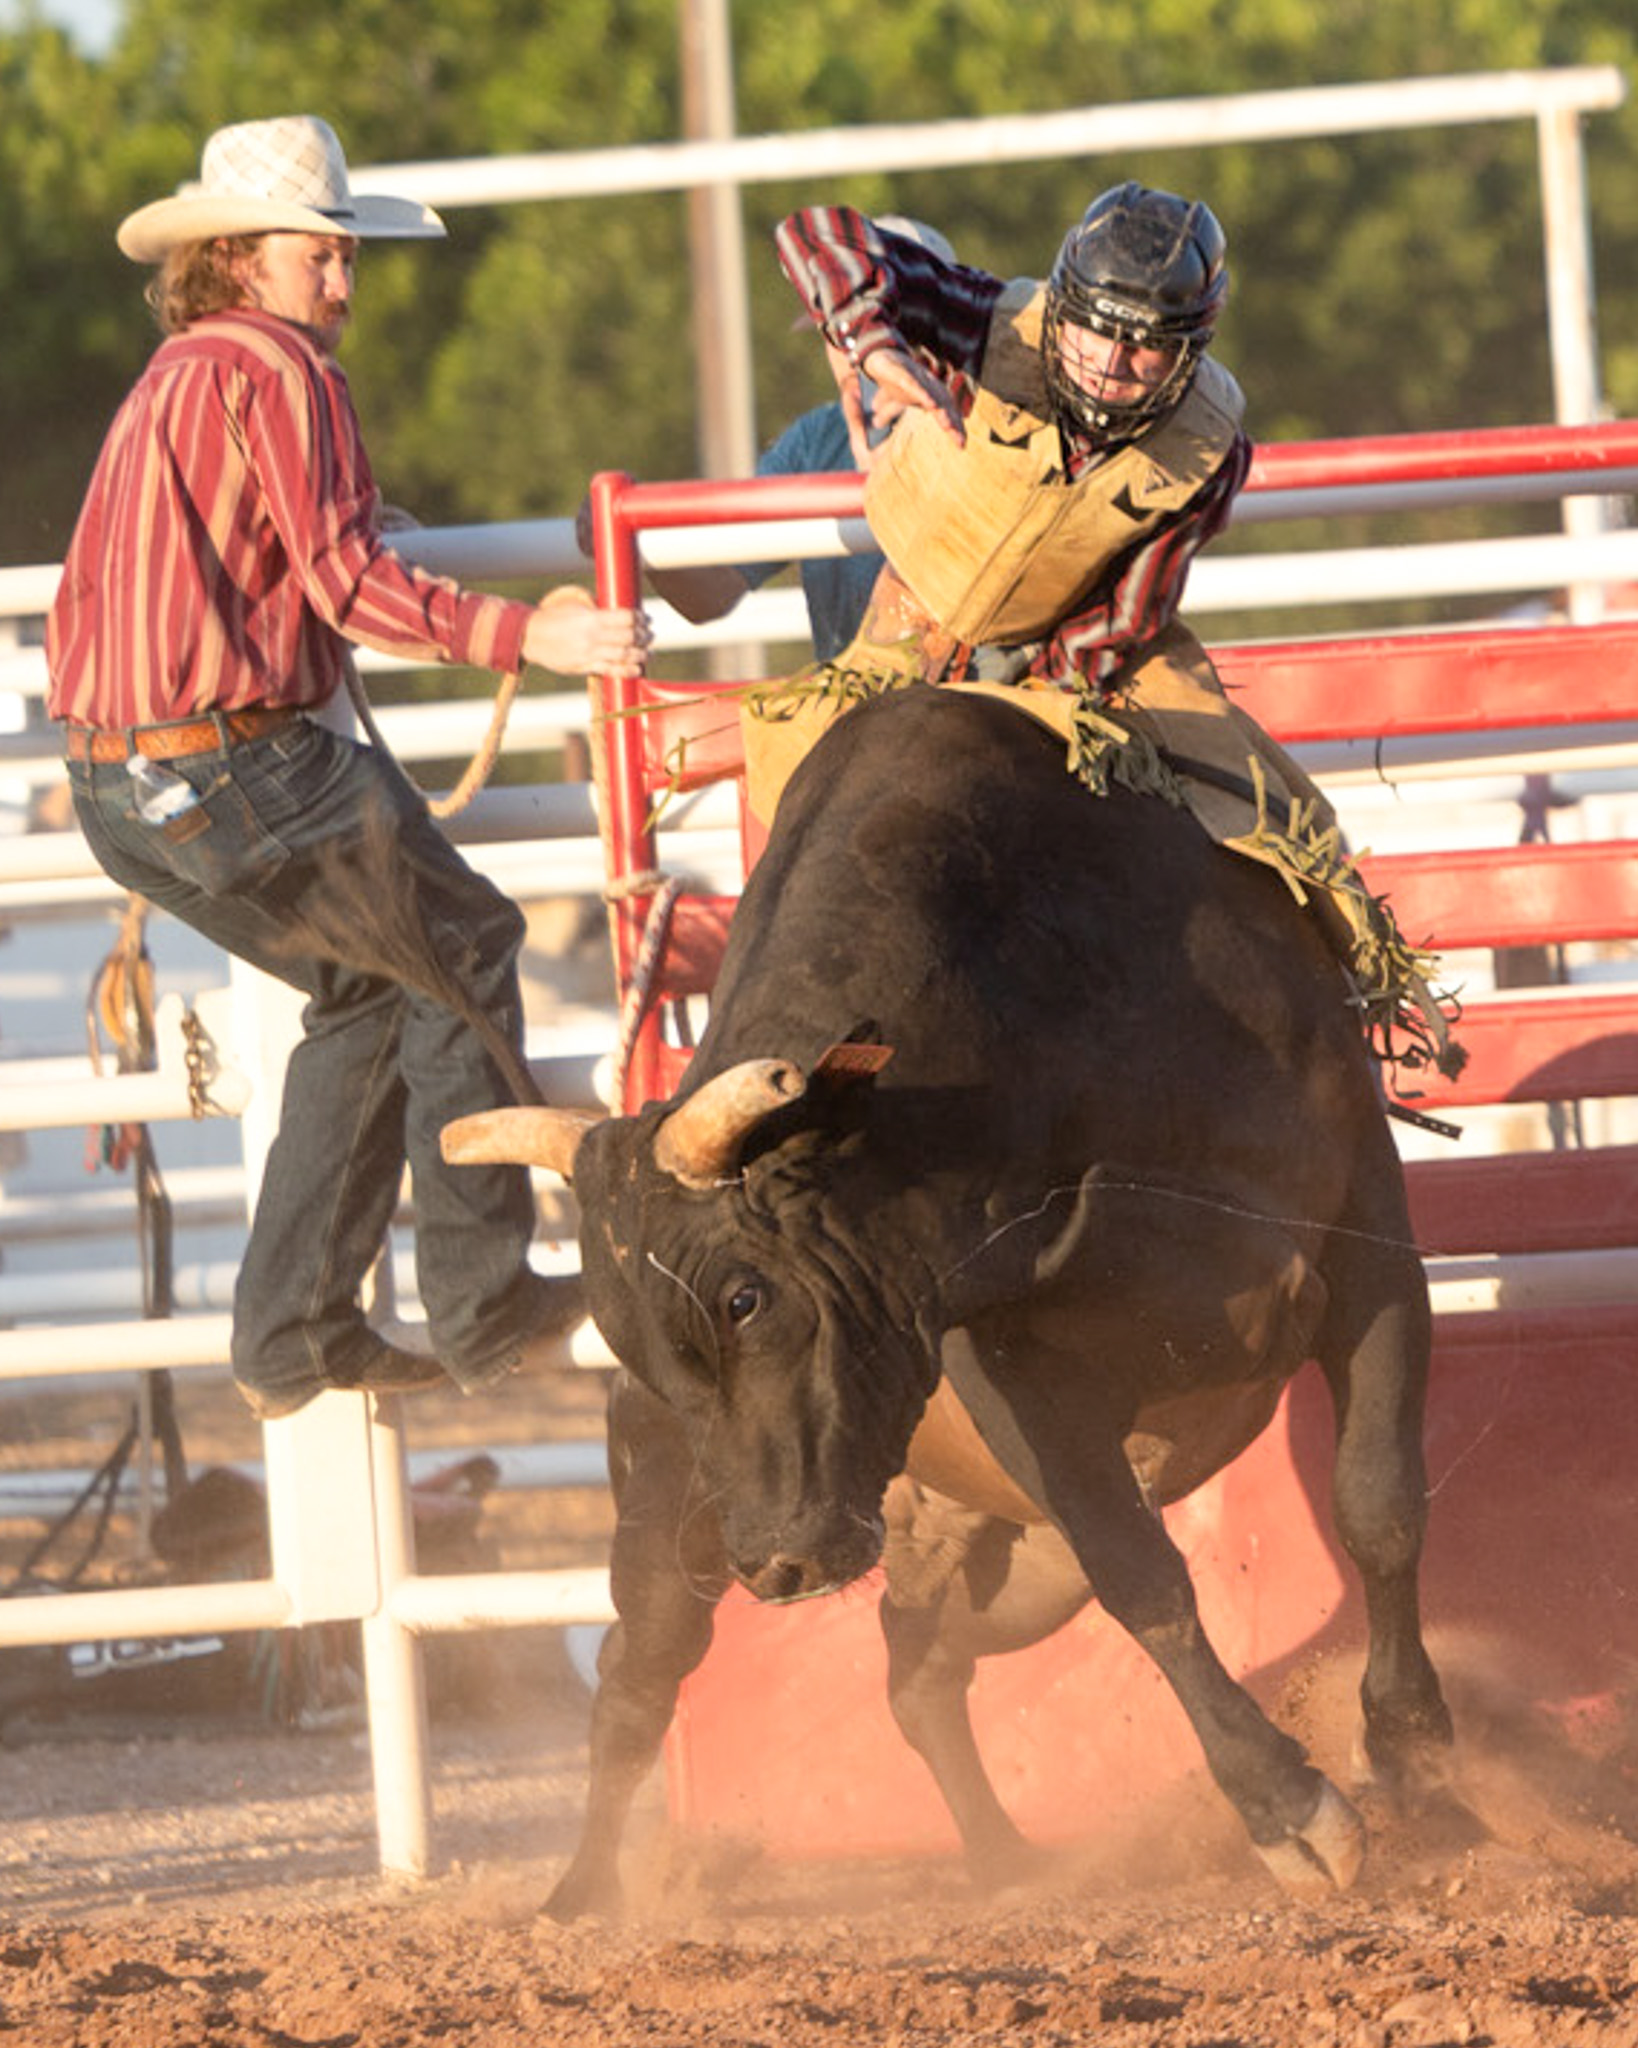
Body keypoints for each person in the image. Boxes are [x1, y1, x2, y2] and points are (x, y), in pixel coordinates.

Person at [47, 114, 651, 1420]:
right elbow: (340, 579)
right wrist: (528, 631)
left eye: (342, 254)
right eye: (318, 252)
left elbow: (290, 544)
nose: (342, 278)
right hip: (230, 762)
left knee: (373, 997)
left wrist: (367, 537)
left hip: (125, 789)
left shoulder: (175, 380)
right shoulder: (282, 371)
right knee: (462, 946)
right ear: (240, 262)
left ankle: (293, 1327)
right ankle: (484, 1301)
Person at [770, 184, 1460, 1078]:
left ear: (1187, 352)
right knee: (796, 780)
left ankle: (1361, 1006)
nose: (1110, 361)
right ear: (1064, 308)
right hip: (916, 606)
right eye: (1095, 327)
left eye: (1145, 345)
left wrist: (1032, 694)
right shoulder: (994, 317)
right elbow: (818, 234)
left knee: (1275, 819)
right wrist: (871, 339)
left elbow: (1132, 607)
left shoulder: (1210, 449)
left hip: (1089, 642)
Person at [632, 218, 957, 663]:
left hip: (962, 708)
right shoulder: (816, 439)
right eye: (836, 331)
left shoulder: (985, 427)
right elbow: (713, 592)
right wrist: (639, 539)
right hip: (856, 717)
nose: (851, 351)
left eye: (870, 326)